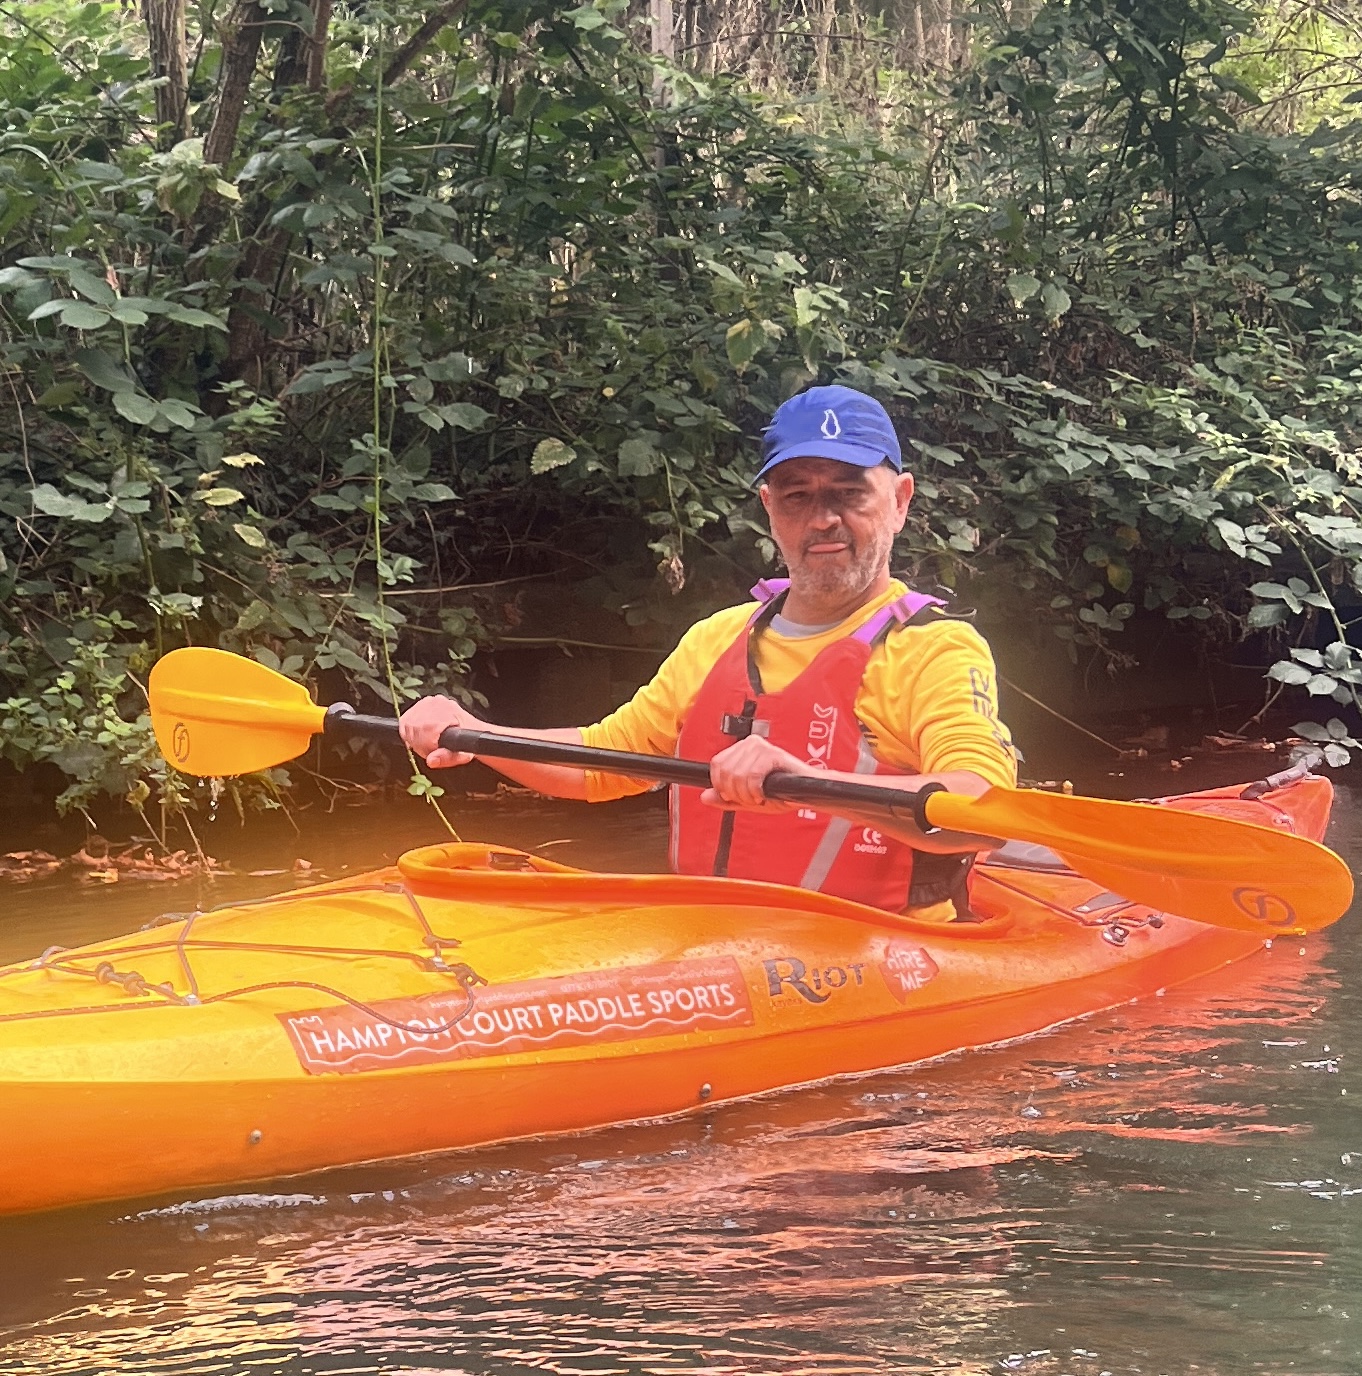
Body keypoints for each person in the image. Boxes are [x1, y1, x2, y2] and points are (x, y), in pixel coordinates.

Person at [400, 384, 1017, 917]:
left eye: (850, 493)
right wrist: (473, 731)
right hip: (711, 945)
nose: (823, 518)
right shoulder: (719, 636)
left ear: (901, 501)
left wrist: (813, 784)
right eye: (797, 495)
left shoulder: (933, 649)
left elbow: (980, 805)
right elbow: (603, 763)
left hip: (877, 948)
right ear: (770, 510)